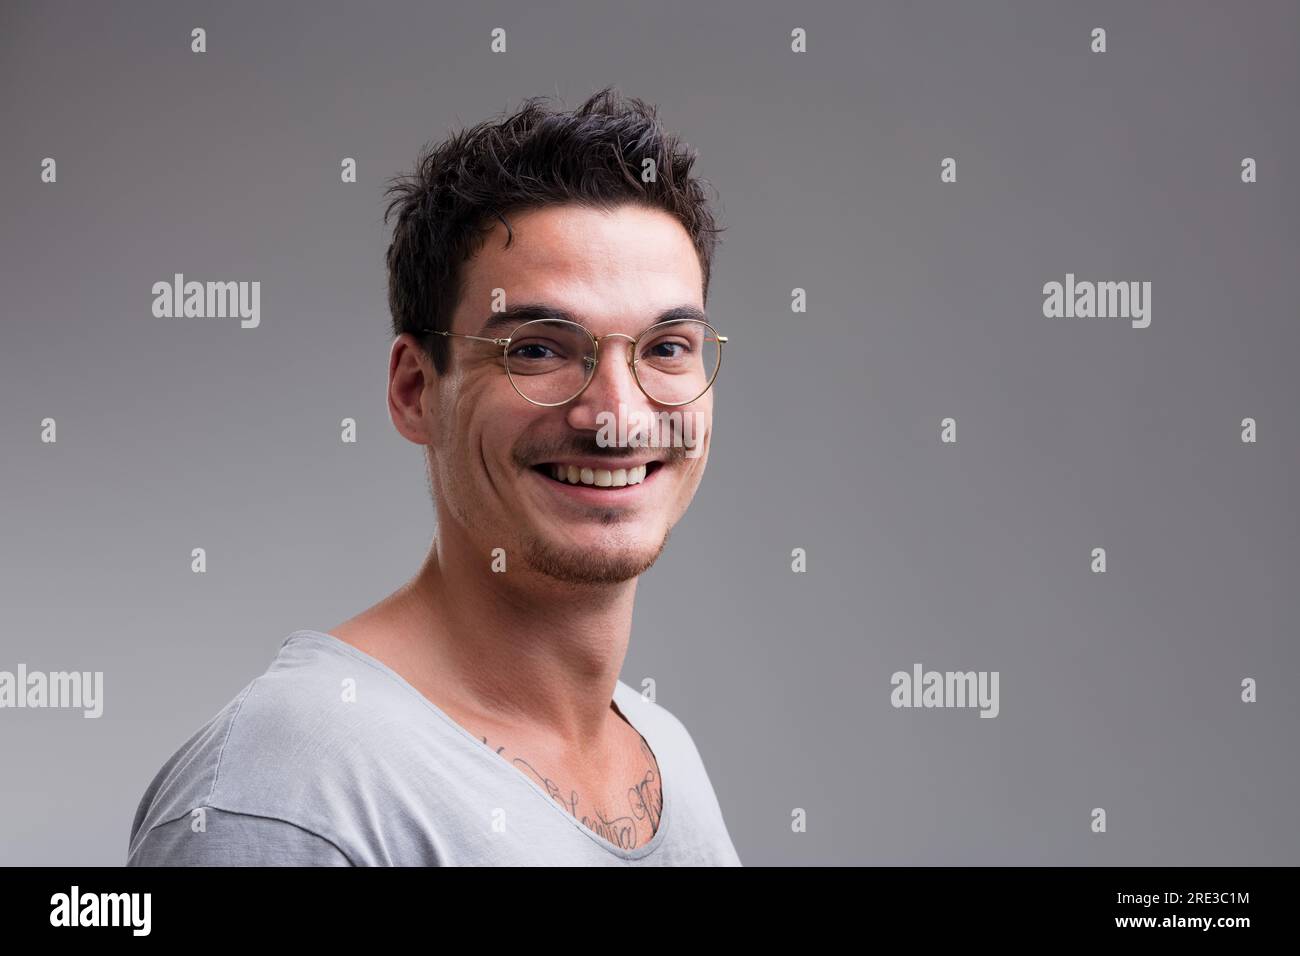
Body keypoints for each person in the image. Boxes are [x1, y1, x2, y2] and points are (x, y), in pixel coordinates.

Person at [127, 86, 740, 865]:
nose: (615, 414)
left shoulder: (669, 758)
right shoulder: (289, 794)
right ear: (416, 390)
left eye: (665, 347)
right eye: (539, 350)